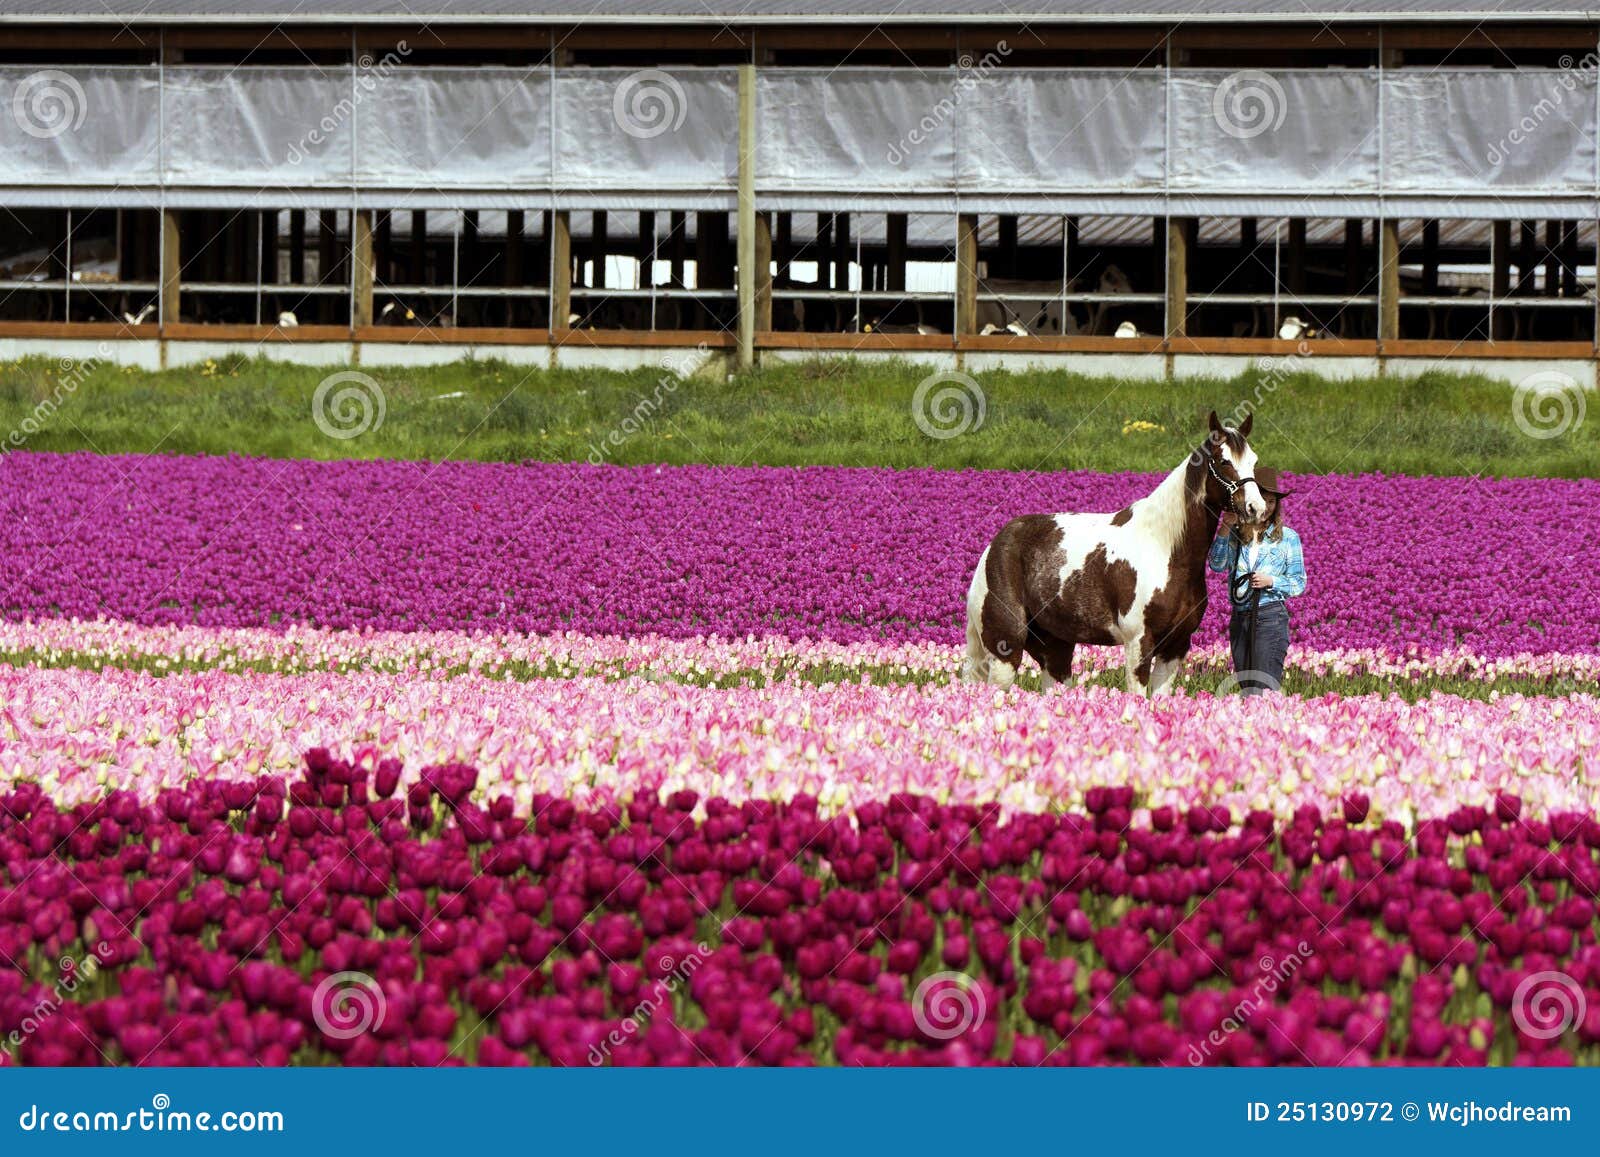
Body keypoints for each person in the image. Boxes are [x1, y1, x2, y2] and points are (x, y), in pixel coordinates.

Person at [1208, 468, 1305, 694]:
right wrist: (1225, 527)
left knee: (1263, 689)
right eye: (1263, 499)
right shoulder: (1236, 535)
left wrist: (1271, 581)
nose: (1268, 506)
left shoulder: (1288, 538)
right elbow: (1217, 564)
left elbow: (1299, 582)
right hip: (1240, 617)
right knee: (1247, 688)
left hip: (1269, 616)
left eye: (1272, 501)